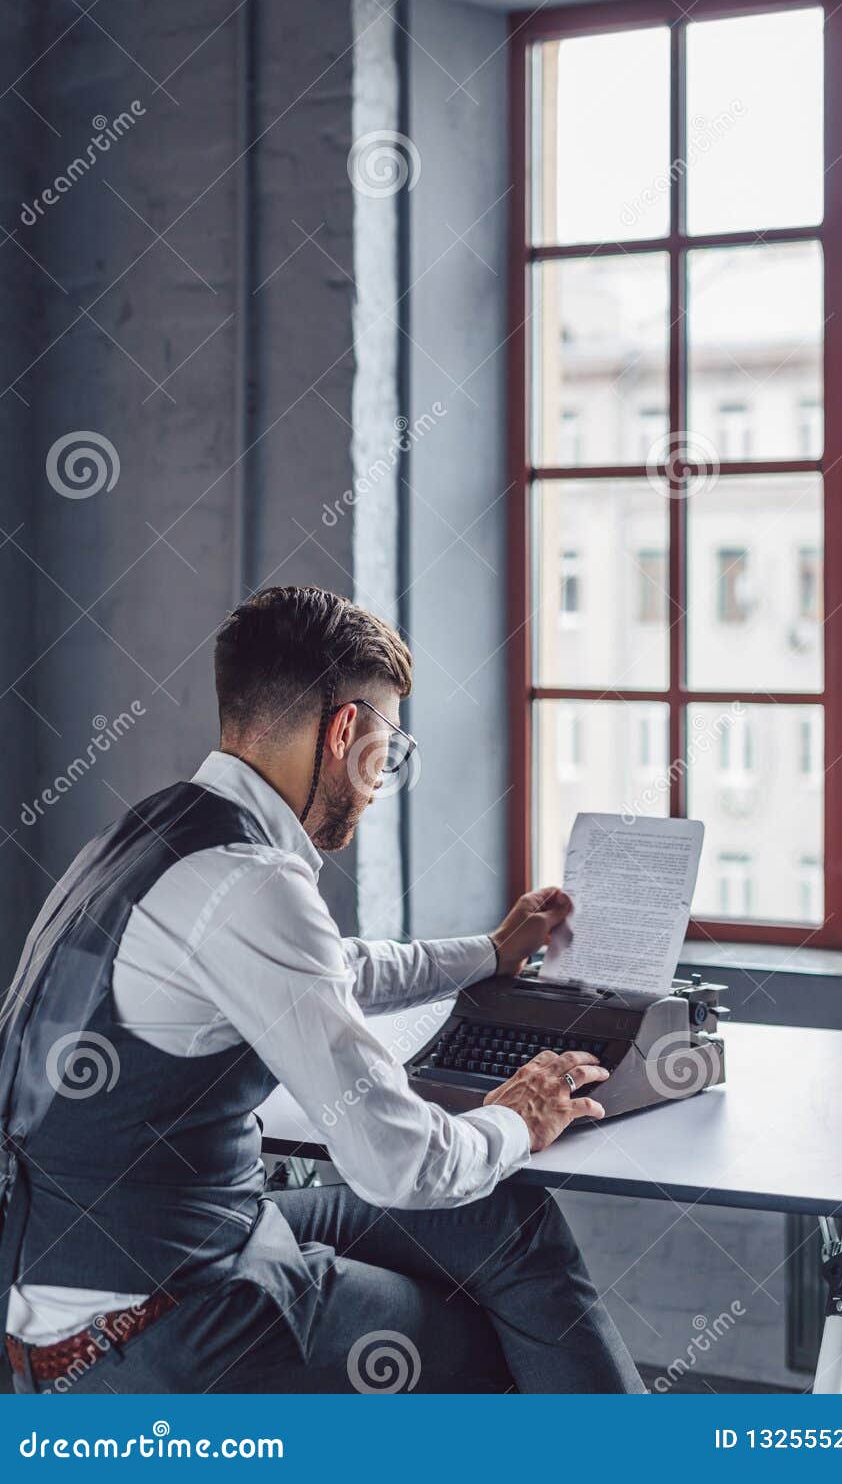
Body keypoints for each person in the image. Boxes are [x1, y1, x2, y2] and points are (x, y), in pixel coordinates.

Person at [0, 586, 644, 1394]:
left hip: (59, 1284)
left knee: (497, 1218)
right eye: (387, 748)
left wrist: (489, 952)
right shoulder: (252, 879)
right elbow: (399, 1163)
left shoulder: (156, 832)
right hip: (150, 1323)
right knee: (482, 1344)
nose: (381, 781)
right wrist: (515, 1119)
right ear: (345, 732)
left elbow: (327, 968)